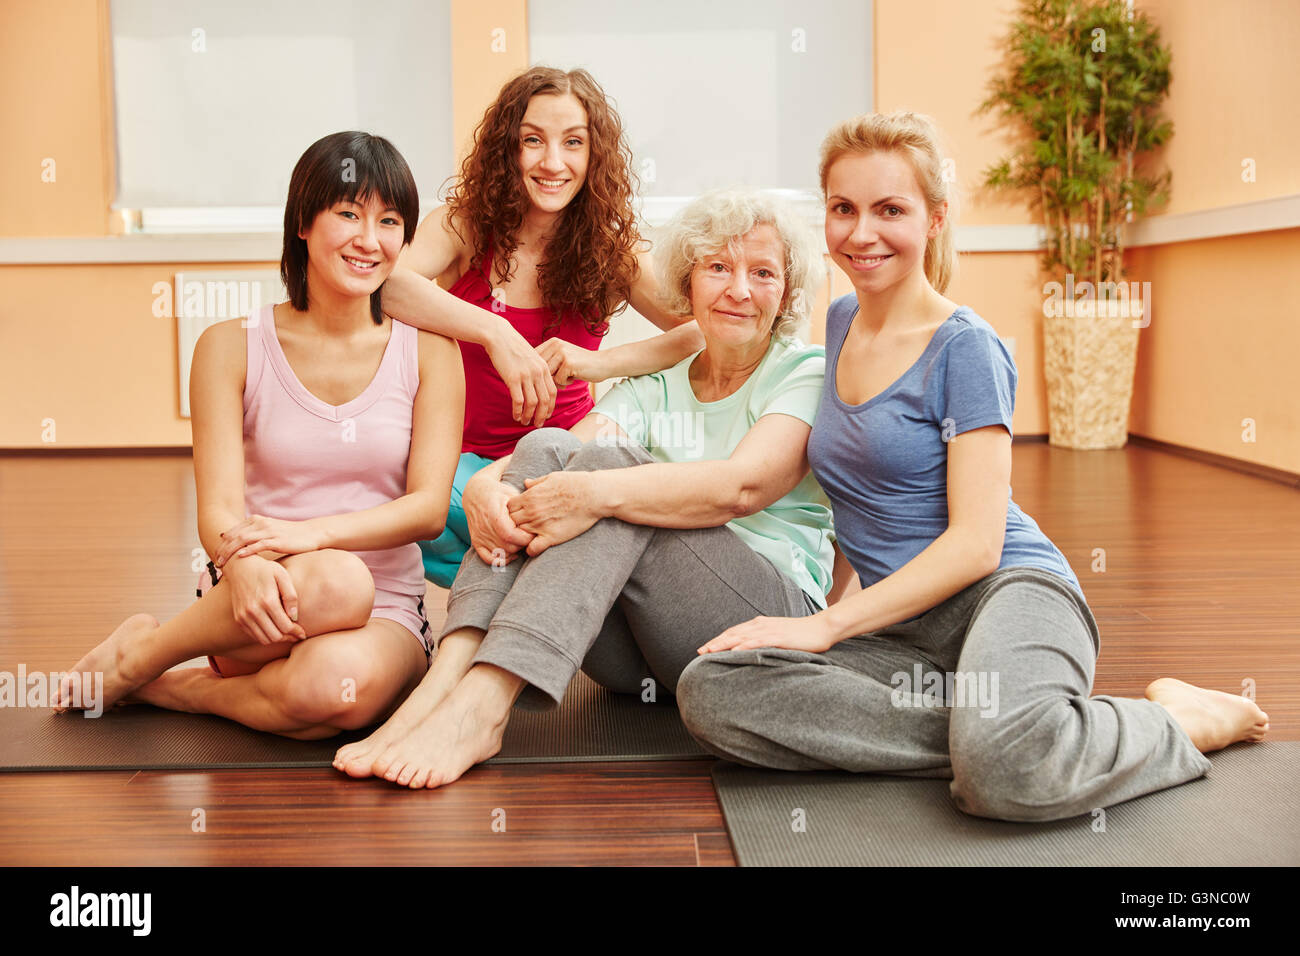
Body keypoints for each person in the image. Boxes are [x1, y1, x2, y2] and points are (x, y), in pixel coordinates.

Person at [675, 111, 1271, 822]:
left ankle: (1172, 721)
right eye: (844, 209)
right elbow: (850, 488)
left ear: (935, 218)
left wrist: (825, 628)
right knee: (712, 689)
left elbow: (976, 543)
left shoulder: (966, 348)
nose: (861, 233)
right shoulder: (837, 323)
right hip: (900, 629)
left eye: (889, 209)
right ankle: (1008, 734)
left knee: (1005, 779)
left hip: (1007, 592)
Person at [333, 188, 834, 787]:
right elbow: (565, 450)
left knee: (608, 472)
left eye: (762, 273)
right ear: (688, 282)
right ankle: (447, 679)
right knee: (551, 448)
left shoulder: (804, 370)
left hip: (760, 626)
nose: (739, 290)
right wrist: (486, 487)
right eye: (718, 268)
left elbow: (741, 489)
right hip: (647, 657)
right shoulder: (659, 384)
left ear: (786, 293)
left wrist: (592, 495)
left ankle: (483, 708)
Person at [54, 132, 465, 739]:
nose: (368, 239)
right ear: (303, 221)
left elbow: (429, 510)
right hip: (258, 591)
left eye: (388, 221)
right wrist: (238, 566)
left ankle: (159, 676)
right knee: (333, 580)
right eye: (348, 214)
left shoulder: (431, 351)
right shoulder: (228, 346)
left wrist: (312, 532)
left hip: (385, 607)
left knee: (331, 690)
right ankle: (151, 658)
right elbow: (219, 509)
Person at [378, 66, 704, 587]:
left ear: (593, 154)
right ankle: (544, 567)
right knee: (418, 506)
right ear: (508, 148)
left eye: (573, 142)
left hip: (564, 455)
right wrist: (497, 333)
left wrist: (596, 363)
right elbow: (386, 284)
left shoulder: (611, 250)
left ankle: (517, 571)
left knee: (515, 521)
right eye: (533, 140)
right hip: (461, 463)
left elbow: (702, 330)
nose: (554, 163)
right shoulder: (463, 225)